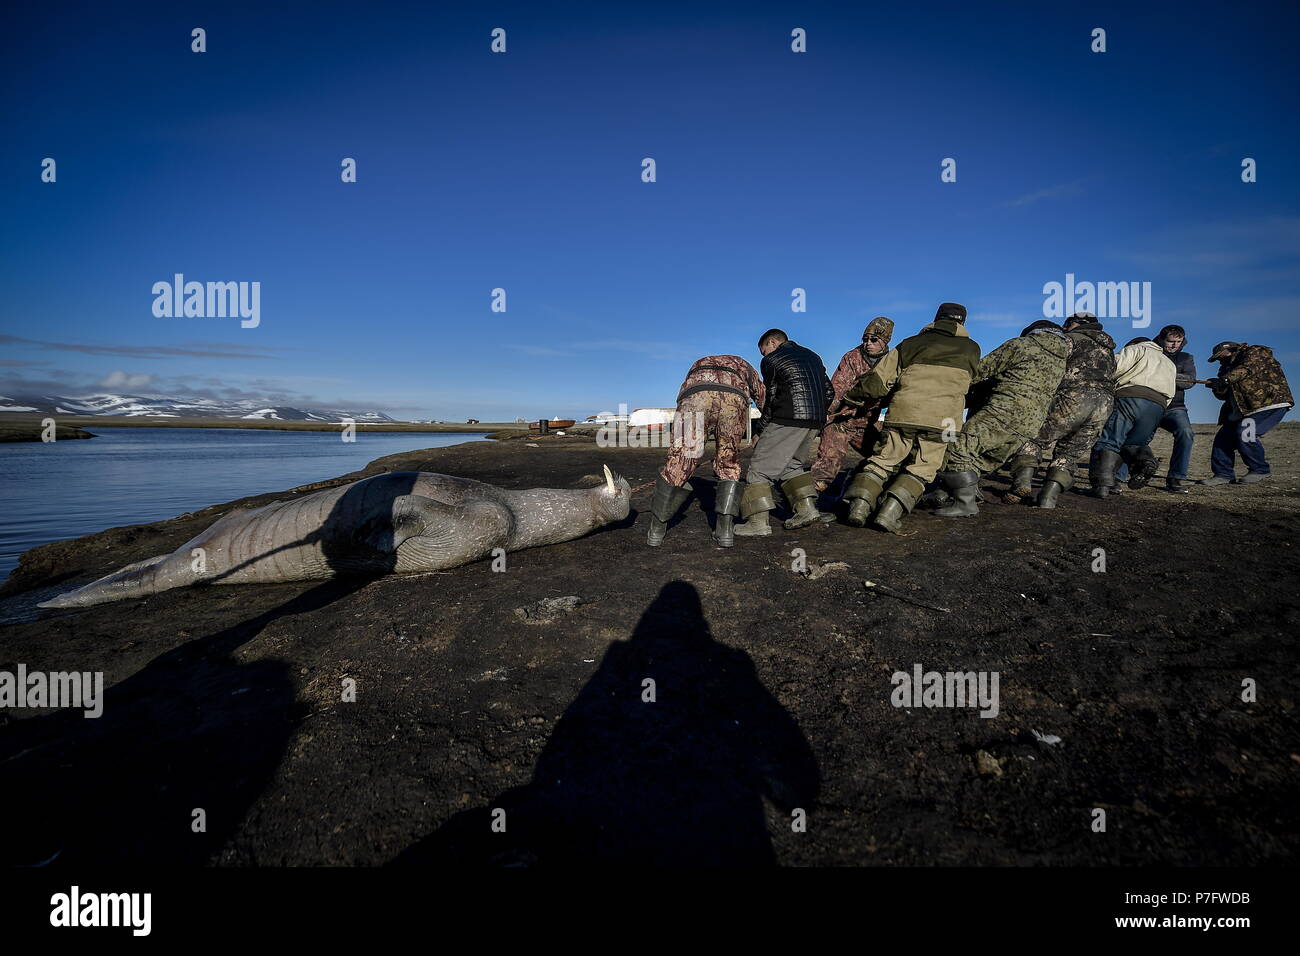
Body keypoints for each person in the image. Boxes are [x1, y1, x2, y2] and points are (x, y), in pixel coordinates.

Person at [838, 303, 980, 532]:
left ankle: (859, 507)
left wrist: (853, 398)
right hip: (944, 420)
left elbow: (879, 381)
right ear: (962, 323)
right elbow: (973, 383)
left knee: (883, 461)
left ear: (936, 319)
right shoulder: (972, 349)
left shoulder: (910, 344)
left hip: (904, 412)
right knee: (923, 468)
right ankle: (889, 513)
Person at [930, 320, 1071, 518]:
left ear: (1032, 333)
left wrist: (945, 385)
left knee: (957, 450)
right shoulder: (1060, 360)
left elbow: (980, 370)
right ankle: (944, 495)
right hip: (1030, 425)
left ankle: (965, 503)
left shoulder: (1020, 345)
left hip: (1002, 412)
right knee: (980, 461)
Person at [647, 354, 765, 548]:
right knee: (728, 461)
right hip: (733, 400)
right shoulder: (743, 364)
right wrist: (766, 424)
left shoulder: (698, 363)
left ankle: (656, 531)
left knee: (680, 460)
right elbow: (762, 396)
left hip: (695, 397)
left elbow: (686, 388)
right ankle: (725, 531)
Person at [1004, 313, 1116, 508]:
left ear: (1077, 324)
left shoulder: (1069, 340)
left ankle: (1021, 484)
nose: (1064, 327)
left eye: (1067, 323)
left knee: (1033, 438)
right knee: (1069, 453)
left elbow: (1049, 365)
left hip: (1073, 397)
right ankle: (1048, 498)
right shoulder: (1108, 350)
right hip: (1104, 404)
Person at [733, 330, 833, 536]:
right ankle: (807, 510)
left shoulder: (772, 359)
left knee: (760, 469)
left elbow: (770, 398)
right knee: (792, 465)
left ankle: (757, 523)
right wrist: (816, 413)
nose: (764, 355)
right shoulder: (813, 356)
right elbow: (829, 391)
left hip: (788, 418)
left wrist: (760, 429)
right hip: (816, 420)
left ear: (772, 342)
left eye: (764, 350)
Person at [809, 317, 895, 494]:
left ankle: (859, 483)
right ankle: (810, 501)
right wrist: (826, 415)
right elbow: (837, 389)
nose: (868, 344)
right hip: (840, 421)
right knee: (828, 462)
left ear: (885, 341)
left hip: (866, 424)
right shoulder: (852, 357)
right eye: (865, 339)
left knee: (883, 457)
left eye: (873, 340)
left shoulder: (892, 362)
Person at [1088, 337, 1175, 498]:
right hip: (1158, 405)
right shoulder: (1169, 363)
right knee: (1134, 443)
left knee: (1109, 440)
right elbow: (1171, 392)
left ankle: (1102, 485)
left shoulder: (1137, 349)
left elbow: (1115, 366)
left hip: (1130, 397)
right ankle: (1145, 461)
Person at [1201, 341, 1294, 485]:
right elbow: (1224, 395)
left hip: (1268, 404)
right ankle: (1223, 474)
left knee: (1246, 431)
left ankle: (1260, 469)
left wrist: (1225, 380)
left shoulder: (1255, 352)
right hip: (1242, 411)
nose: (1219, 360)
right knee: (1223, 439)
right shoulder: (1225, 369)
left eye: (1220, 356)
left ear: (1230, 350)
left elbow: (1247, 369)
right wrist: (1216, 386)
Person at [1149, 325, 1198, 493]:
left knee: (1186, 434)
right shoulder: (1150, 353)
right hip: (1151, 404)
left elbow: (1189, 381)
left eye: (1179, 341)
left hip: (1175, 407)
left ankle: (1176, 478)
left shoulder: (1186, 358)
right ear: (1162, 339)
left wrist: (1163, 374)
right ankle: (1118, 477)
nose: (1175, 345)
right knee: (1135, 436)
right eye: (1171, 341)